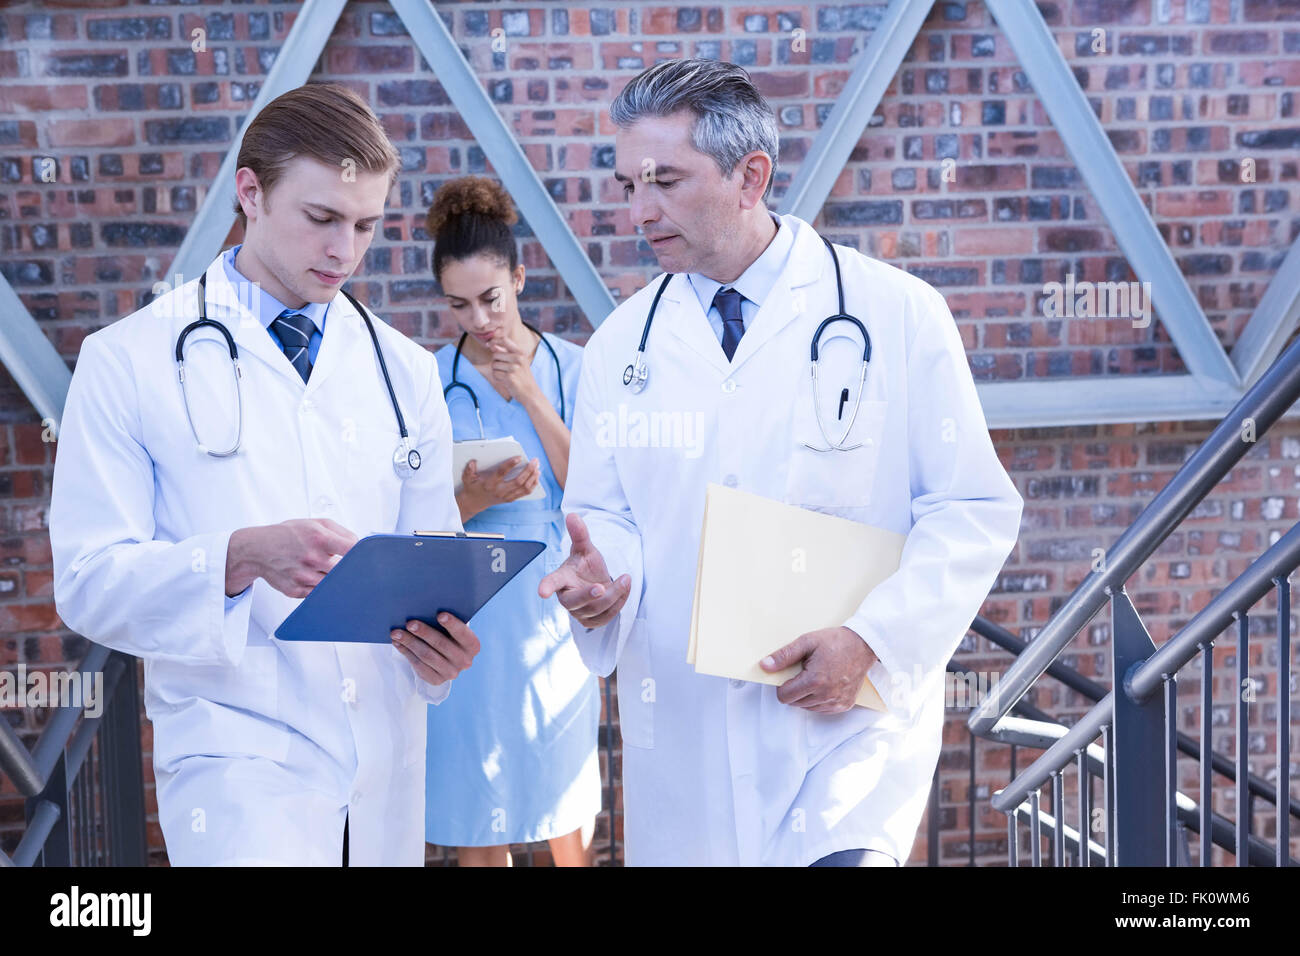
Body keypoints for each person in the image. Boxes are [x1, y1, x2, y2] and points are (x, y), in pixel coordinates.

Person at [539, 59, 1025, 866]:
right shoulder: (622, 346)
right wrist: (600, 586)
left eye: (665, 180)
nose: (640, 211)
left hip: (842, 742)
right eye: (628, 184)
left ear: (749, 176)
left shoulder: (896, 315)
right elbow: (611, 518)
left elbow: (971, 507)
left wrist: (874, 639)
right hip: (685, 749)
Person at [49, 83, 481, 866]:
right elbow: (86, 581)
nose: (344, 252)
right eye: (322, 219)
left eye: (366, 226)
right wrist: (239, 556)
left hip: (382, 764)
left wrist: (441, 650)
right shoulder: (129, 360)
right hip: (236, 764)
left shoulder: (405, 372)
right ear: (249, 192)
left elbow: (433, 558)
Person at [422, 176, 600, 867]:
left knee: (562, 812)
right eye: (459, 304)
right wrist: (476, 498)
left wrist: (527, 391)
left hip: (549, 606)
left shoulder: (571, 368)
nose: (478, 318)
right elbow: (419, 511)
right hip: (468, 608)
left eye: (491, 298)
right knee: (479, 814)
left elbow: (590, 487)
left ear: (520, 278)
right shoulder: (429, 380)